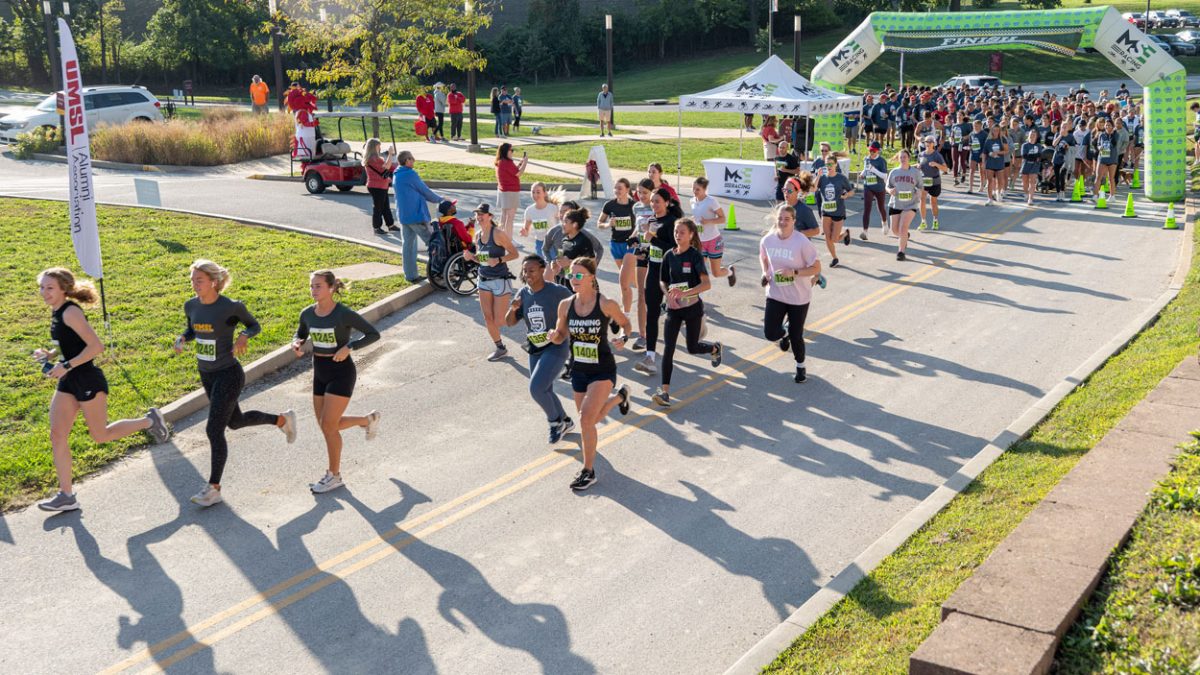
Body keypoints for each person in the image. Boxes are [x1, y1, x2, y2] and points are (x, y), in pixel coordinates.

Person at [33, 268, 169, 512]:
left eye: (50, 287)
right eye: (42, 287)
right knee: (57, 435)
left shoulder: (71, 312)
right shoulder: (56, 312)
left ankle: (150, 421)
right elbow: (71, 344)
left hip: (86, 379)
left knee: (100, 435)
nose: (44, 292)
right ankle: (66, 495)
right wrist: (50, 354)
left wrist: (66, 365)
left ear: (63, 289)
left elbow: (96, 346)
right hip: (69, 381)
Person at [174, 260, 296, 507]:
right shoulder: (191, 305)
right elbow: (193, 330)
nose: (194, 284)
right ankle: (282, 420)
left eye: (199, 280)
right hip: (206, 374)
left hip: (228, 374)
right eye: (192, 280)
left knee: (213, 429)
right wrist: (183, 338)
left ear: (213, 282)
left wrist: (243, 336)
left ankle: (214, 488)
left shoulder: (230, 306)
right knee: (236, 422)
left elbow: (254, 325)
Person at [291, 270, 381, 494]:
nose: (313, 290)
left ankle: (334, 475)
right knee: (326, 426)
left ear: (331, 288)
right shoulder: (307, 314)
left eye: (318, 286)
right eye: (312, 286)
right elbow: (300, 333)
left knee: (329, 426)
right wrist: (297, 343)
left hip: (341, 372)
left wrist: (349, 346)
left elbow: (373, 334)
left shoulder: (343, 314)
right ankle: (367, 420)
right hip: (319, 372)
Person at [546, 257, 632, 490]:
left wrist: (623, 338)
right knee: (588, 422)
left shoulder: (605, 303)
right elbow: (561, 335)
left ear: (591, 277)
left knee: (585, 419)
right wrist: (554, 336)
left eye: (578, 275)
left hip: (602, 369)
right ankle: (620, 398)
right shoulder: (565, 305)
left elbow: (626, 324)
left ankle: (588, 471)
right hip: (579, 370)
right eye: (571, 275)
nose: (573, 279)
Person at [651, 218, 722, 407]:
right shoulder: (669, 255)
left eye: (682, 232)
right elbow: (663, 281)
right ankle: (665, 393)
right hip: (674, 309)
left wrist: (685, 293)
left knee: (692, 348)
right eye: (676, 231)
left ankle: (714, 349)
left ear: (691, 235)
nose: (678, 235)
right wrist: (668, 294)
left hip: (692, 309)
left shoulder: (695, 256)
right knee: (668, 348)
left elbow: (706, 284)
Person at [505, 255, 575, 443]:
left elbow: (577, 308)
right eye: (524, 270)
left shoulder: (557, 291)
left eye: (532, 270)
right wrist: (513, 309)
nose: (527, 274)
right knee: (545, 389)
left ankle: (555, 423)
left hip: (556, 346)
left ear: (543, 270)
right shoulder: (523, 293)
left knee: (536, 388)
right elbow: (509, 323)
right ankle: (565, 421)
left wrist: (564, 331)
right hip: (535, 347)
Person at [759, 206, 821, 383]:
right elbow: (763, 257)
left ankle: (800, 366)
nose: (783, 222)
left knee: (796, 336)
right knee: (770, 334)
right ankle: (783, 332)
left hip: (798, 297)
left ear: (794, 221)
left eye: (787, 219)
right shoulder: (767, 240)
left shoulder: (801, 242)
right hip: (775, 294)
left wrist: (794, 272)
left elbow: (816, 267)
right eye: (780, 218)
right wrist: (765, 272)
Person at [633, 187, 682, 376]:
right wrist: (641, 248)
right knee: (652, 314)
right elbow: (650, 245)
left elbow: (674, 248)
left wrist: (652, 239)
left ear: (667, 203)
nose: (653, 204)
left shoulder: (672, 222)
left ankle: (698, 317)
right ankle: (650, 357)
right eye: (652, 201)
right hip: (653, 270)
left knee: (679, 313)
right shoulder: (652, 220)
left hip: (670, 274)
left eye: (657, 201)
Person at [465, 203, 519, 361]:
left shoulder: (498, 234)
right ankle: (500, 348)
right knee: (488, 319)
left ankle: (523, 313)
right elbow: (482, 260)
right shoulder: (478, 236)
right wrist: (471, 257)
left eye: (482, 214)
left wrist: (499, 259)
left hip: (500, 280)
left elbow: (514, 253)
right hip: (483, 280)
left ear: (490, 216)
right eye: (477, 214)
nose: (479, 217)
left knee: (499, 320)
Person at [392, 151, 444, 283]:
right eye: (412, 158)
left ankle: (411, 275)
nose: (414, 160)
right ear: (407, 160)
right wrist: (441, 200)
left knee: (408, 246)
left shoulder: (397, 173)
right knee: (434, 242)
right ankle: (440, 271)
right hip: (415, 215)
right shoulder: (410, 174)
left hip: (404, 216)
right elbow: (424, 190)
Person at [598, 177, 638, 317]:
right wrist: (608, 224)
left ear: (627, 189)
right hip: (615, 244)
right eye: (615, 188)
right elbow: (599, 223)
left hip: (631, 245)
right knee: (628, 280)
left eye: (620, 188)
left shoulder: (634, 206)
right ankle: (646, 290)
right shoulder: (609, 205)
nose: (617, 191)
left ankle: (627, 312)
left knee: (625, 280)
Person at [690, 177, 735, 285]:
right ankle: (696, 290)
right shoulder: (692, 201)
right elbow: (697, 216)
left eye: (698, 189)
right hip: (699, 241)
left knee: (716, 273)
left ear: (704, 189)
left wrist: (708, 221)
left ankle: (730, 272)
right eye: (693, 188)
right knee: (696, 268)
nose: (695, 191)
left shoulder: (711, 201)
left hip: (713, 240)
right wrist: (692, 221)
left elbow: (723, 218)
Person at [816, 159, 854, 268]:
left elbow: (851, 191)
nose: (829, 166)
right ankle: (834, 258)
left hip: (838, 211)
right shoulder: (822, 178)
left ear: (835, 164)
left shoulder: (841, 178)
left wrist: (847, 195)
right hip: (826, 211)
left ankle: (845, 233)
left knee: (834, 239)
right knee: (827, 237)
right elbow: (813, 189)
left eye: (831, 164)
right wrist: (818, 176)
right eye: (827, 164)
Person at [887, 150, 923, 262]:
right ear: (898, 159)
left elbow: (921, 187)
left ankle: (901, 252)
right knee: (894, 230)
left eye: (905, 157)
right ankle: (904, 237)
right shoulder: (894, 172)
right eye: (901, 157)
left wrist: (919, 192)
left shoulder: (915, 172)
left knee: (903, 227)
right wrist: (890, 191)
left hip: (910, 204)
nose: (903, 159)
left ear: (909, 158)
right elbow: (887, 186)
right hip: (895, 203)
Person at [363, 138, 397, 234]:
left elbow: (382, 171)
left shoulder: (372, 158)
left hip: (379, 186)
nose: (380, 148)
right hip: (377, 186)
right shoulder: (374, 159)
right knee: (378, 208)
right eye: (378, 146)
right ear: (374, 147)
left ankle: (390, 225)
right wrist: (390, 154)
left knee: (385, 206)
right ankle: (377, 227)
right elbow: (387, 167)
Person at [495, 143, 528, 239]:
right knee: (510, 217)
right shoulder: (507, 162)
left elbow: (513, 171)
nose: (512, 152)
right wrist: (525, 162)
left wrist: (520, 163)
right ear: (506, 151)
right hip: (511, 192)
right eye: (511, 150)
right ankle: (508, 239)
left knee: (504, 215)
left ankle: (501, 238)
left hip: (503, 191)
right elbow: (518, 173)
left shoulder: (500, 161)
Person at [917, 136, 950, 230]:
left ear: (933, 144)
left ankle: (935, 220)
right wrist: (918, 166)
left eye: (930, 142)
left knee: (933, 201)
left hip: (935, 181)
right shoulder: (921, 154)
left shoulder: (937, 155)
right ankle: (923, 221)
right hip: (924, 180)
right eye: (926, 142)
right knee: (922, 199)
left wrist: (936, 164)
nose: (928, 143)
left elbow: (945, 169)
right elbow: (919, 164)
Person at [521, 182, 560, 259]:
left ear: (544, 193)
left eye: (538, 192)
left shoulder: (553, 208)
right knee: (542, 264)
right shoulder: (529, 210)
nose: (535, 195)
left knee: (555, 264)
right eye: (533, 192)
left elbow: (563, 224)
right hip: (540, 243)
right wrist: (524, 232)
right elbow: (526, 230)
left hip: (554, 242)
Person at [860, 141, 887, 241]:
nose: (871, 153)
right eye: (870, 151)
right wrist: (862, 174)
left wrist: (874, 170)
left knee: (881, 208)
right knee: (867, 209)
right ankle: (865, 232)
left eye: (874, 151)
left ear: (878, 151)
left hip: (879, 188)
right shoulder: (866, 159)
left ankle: (884, 222)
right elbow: (866, 169)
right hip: (868, 186)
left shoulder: (881, 161)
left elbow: (884, 176)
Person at [983, 124, 1008, 205]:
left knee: (1000, 181)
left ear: (999, 131)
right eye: (994, 130)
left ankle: (998, 192)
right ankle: (989, 199)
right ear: (992, 131)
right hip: (990, 163)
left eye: (997, 130)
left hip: (999, 163)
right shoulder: (988, 140)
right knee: (990, 181)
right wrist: (983, 163)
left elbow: (1006, 151)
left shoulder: (1002, 139)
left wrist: (997, 152)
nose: (996, 132)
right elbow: (984, 153)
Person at [1019, 129, 1043, 206]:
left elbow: (1039, 156)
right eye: (1031, 135)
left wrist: (1033, 157)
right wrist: (1034, 157)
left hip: (1035, 166)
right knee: (1025, 183)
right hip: (1026, 165)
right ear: (1028, 136)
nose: (1032, 136)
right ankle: (1026, 193)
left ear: (1036, 137)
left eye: (1034, 135)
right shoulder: (1025, 145)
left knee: (1032, 182)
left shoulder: (1038, 146)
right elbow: (1024, 156)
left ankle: (1030, 198)